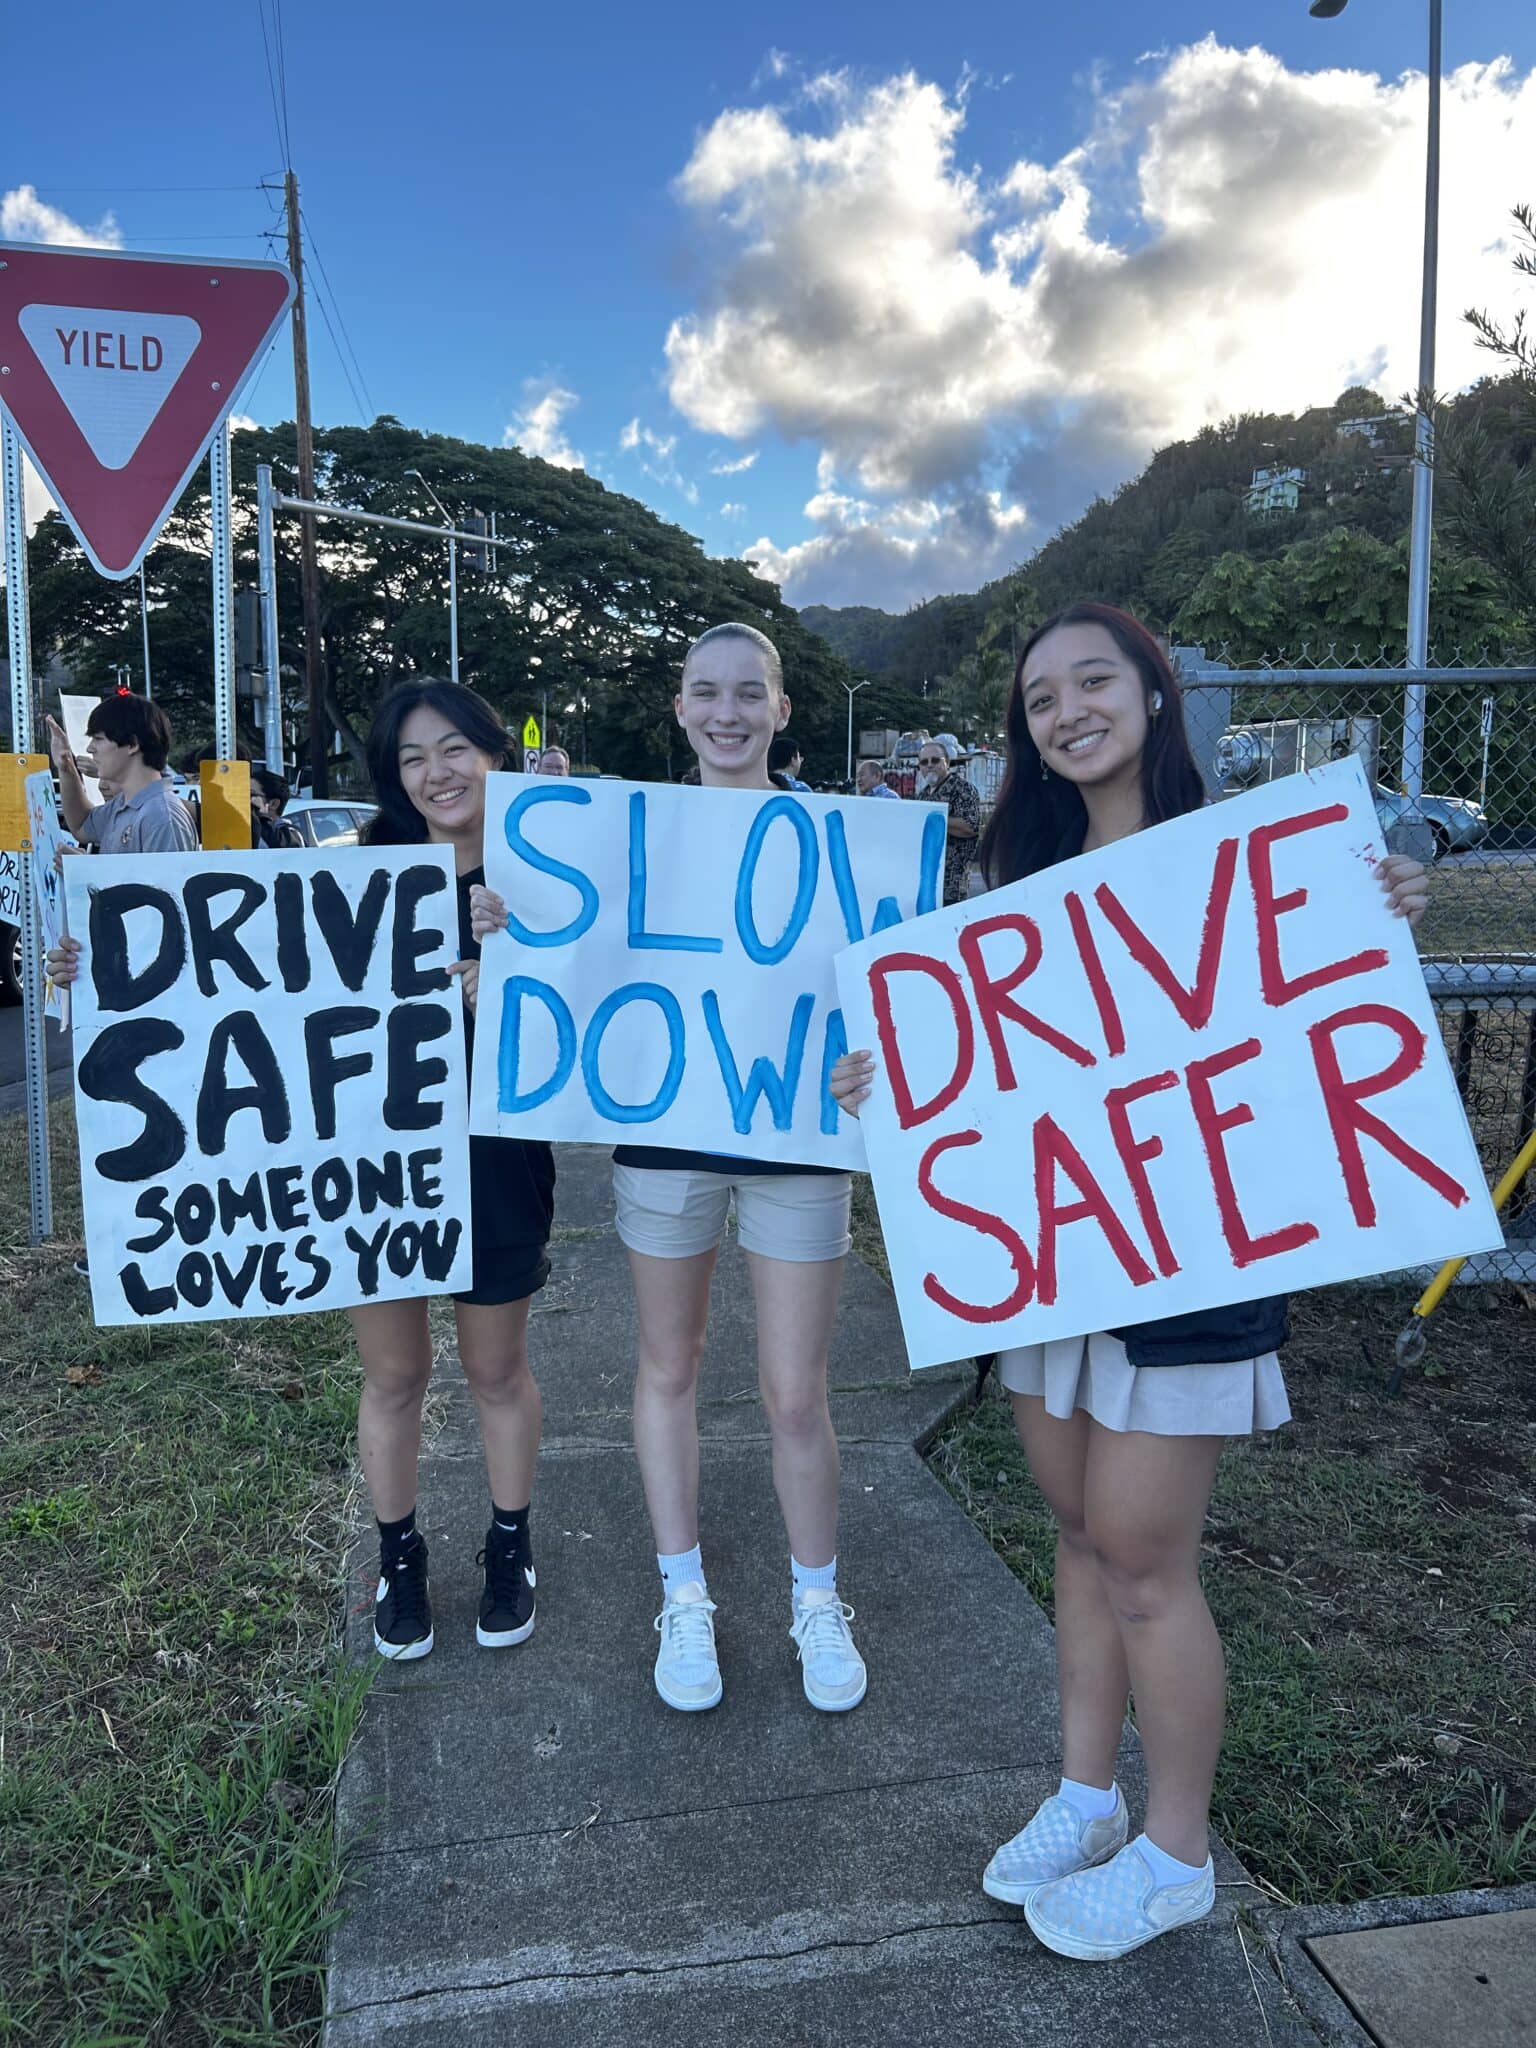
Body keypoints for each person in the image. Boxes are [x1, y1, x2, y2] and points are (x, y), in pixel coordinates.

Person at [831, 602, 1429, 1962]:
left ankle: (1175, 1855)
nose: (1066, 711)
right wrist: (894, 1087)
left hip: (1192, 1276)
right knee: (1081, 1543)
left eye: (1092, 681)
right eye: (1039, 698)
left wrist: (1384, 904)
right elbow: (978, 1079)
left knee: (1149, 1565)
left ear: (1156, 695)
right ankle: (1085, 1797)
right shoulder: (1015, 897)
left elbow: (1324, 1013)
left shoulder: (1266, 870)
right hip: (1058, 1275)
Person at [472, 621, 867, 1719]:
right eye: (707, 691)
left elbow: (887, 982)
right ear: (681, 708)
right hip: (665, 1134)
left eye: (751, 692)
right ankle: (682, 1591)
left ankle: (817, 1595)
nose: (728, 711)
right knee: (670, 1366)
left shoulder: (844, 841)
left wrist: (873, 1053)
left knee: (797, 1390)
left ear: (782, 710)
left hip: (794, 1135)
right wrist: (503, 921)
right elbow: (568, 949)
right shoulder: (620, 832)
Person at [353, 680, 557, 1660]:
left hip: (498, 1158)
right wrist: (87, 964)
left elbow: (595, 1014)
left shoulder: (548, 873)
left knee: (495, 1369)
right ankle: (398, 1556)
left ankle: (509, 1542)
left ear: (492, 752)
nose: (435, 772)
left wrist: (513, 966)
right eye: (410, 757)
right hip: (377, 1162)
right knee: (393, 1375)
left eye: (453, 748)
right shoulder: (355, 878)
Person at [47, 693, 196, 854]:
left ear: (132, 744)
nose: (90, 748)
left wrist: (90, 871)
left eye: (98, 738)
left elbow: (168, 879)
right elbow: (81, 825)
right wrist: (66, 766)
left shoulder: (162, 818)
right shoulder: (123, 804)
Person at [914, 738, 980, 904]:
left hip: (952, 885)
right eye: (924, 762)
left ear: (947, 762)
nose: (929, 765)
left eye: (935, 760)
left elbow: (970, 827)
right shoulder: (922, 796)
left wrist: (933, 819)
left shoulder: (962, 788)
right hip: (924, 882)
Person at [253, 767, 304, 849]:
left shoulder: (291, 833)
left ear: (273, 804)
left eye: (252, 794)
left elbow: (285, 847)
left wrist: (261, 816)